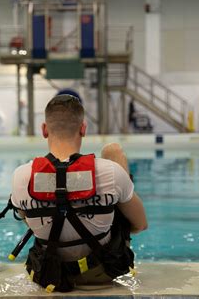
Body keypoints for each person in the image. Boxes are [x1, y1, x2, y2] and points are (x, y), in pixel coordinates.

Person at [10, 94, 147, 292]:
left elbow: (26, 220)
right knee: (113, 150)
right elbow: (141, 225)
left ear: (44, 130)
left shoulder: (22, 176)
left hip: (48, 274)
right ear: (83, 129)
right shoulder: (110, 172)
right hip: (102, 272)